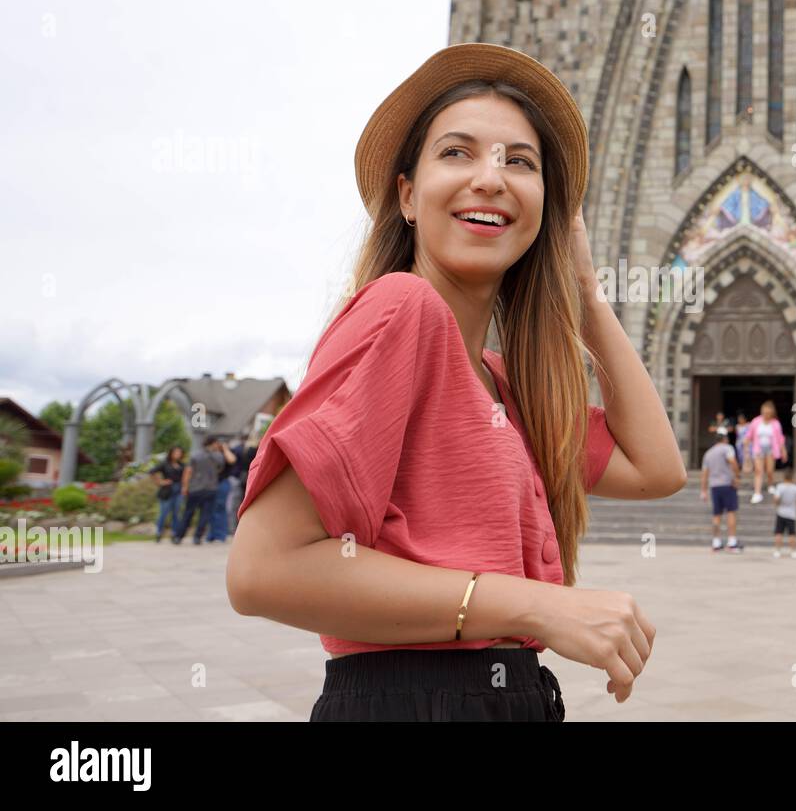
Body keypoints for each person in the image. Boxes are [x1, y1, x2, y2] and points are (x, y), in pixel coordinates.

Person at [227, 42, 686, 722]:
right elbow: (262, 571)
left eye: (520, 163)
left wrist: (585, 293)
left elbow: (657, 469)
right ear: (407, 195)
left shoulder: (504, 386)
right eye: (457, 152)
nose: (491, 179)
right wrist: (537, 605)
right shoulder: (400, 310)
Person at [173, 436, 224, 544]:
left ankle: (178, 537)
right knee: (205, 514)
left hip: (195, 488)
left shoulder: (195, 455)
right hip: (211, 488)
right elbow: (220, 469)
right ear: (213, 443)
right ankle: (197, 537)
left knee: (188, 513)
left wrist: (185, 487)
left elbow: (188, 471)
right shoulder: (218, 456)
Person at [700, 426, 742, 552]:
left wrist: (703, 490)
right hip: (727, 485)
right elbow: (732, 462)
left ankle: (716, 542)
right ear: (725, 438)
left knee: (716, 515)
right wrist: (737, 476)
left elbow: (705, 474)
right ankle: (732, 542)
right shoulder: (727, 449)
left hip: (714, 486)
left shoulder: (708, 453)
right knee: (731, 513)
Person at [744, 400, 786, 504]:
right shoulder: (756, 421)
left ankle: (770, 484)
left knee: (769, 470)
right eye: (764, 412)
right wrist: (746, 444)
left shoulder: (775, 423)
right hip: (758, 449)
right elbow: (749, 434)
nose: (766, 415)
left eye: (768, 413)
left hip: (771, 449)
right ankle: (757, 493)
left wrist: (783, 450)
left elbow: (780, 438)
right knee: (758, 471)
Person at [149, 446, 186, 543]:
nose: (178, 454)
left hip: (178, 491)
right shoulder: (165, 464)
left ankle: (174, 534)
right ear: (171, 453)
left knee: (176, 513)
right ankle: (158, 533)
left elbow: (185, 477)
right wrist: (160, 482)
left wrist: (184, 488)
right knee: (164, 513)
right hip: (167, 491)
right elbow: (152, 472)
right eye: (176, 452)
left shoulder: (182, 465)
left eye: (179, 453)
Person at [205, 440, 238, 542]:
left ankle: (220, 534)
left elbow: (232, 460)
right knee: (210, 509)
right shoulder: (211, 455)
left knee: (221, 508)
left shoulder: (226, 454)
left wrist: (224, 448)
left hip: (222, 483)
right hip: (210, 484)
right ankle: (211, 534)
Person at [771, 464, 796, 558]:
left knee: (779, 532)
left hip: (781, 511)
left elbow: (776, 498)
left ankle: (777, 550)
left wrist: (777, 504)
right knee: (792, 533)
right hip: (791, 513)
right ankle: (793, 551)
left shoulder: (780, 487)